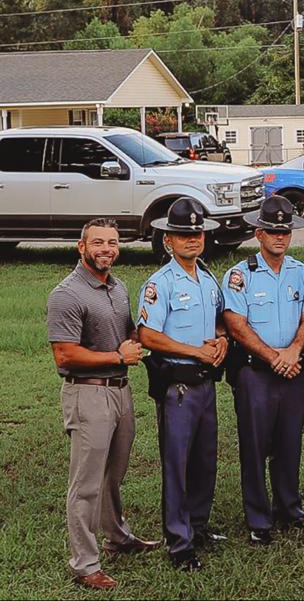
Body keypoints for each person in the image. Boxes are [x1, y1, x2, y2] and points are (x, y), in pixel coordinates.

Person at [48, 218, 160, 590]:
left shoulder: (118, 286)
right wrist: (117, 355)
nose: (106, 249)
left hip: (119, 390)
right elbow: (64, 355)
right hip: (88, 393)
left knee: (114, 473)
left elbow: (129, 333)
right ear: (82, 247)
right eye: (98, 243)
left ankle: (118, 537)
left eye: (112, 243)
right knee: (86, 483)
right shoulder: (67, 294)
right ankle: (85, 564)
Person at [223, 196, 304, 546]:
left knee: (289, 442)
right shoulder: (240, 274)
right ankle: (258, 517)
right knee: (254, 445)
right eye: (272, 231)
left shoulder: (300, 271)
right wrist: (272, 356)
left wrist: (294, 351)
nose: (280, 237)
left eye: (285, 231)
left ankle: (289, 508)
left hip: (292, 369)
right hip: (255, 373)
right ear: (258, 233)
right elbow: (235, 324)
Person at [137, 198, 229, 572]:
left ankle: (199, 527)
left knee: (205, 462)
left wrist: (222, 340)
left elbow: (220, 320)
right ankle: (179, 542)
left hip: (206, 386)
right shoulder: (161, 283)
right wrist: (195, 351)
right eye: (183, 234)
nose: (192, 239)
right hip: (178, 387)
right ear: (168, 240)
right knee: (177, 464)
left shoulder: (207, 279)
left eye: (197, 233)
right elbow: (147, 335)